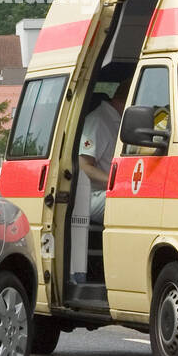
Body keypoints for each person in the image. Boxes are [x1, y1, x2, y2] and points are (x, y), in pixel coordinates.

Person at [70, 70, 131, 285]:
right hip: (94, 195)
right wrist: (116, 184)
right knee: (133, 206)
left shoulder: (117, 121)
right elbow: (84, 166)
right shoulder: (99, 121)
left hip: (111, 191)